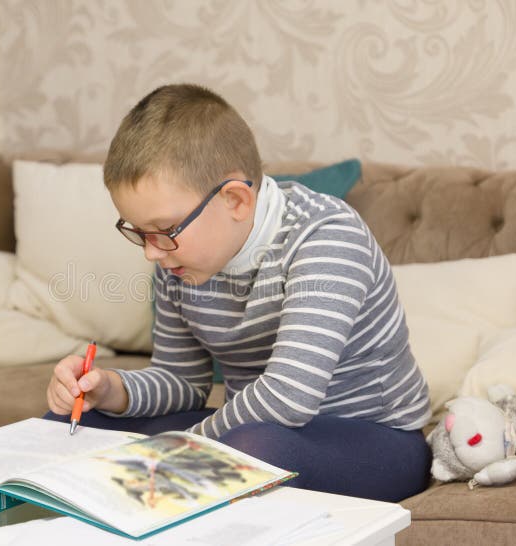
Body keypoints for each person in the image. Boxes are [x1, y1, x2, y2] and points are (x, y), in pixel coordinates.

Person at [45, 83, 432, 502]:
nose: (152, 253)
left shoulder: (326, 236)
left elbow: (288, 397)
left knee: (253, 452)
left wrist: (175, 449)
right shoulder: (178, 259)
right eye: (139, 233)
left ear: (235, 201)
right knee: (72, 425)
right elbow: (183, 382)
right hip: (256, 428)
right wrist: (110, 390)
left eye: (164, 231)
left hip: (377, 441)